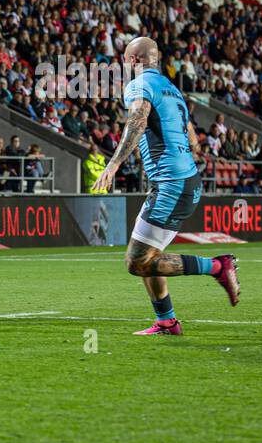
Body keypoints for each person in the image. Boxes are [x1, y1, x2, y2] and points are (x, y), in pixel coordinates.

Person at [92, 37, 240, 334]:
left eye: (124, 58)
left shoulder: (139, 85)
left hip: (172, 185)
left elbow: (137, 121)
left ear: (134, 61)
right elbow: (193, 139)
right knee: (149, 254)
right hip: (181, 179)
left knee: (137, 262)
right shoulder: (172, 90)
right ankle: (166, 321)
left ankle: (218, 266)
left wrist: (113, 164)